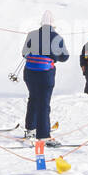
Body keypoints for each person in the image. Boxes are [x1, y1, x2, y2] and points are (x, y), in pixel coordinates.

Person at [22, 10, 69, 144]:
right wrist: (53, 56)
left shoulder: (32, 34)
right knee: (44, 103)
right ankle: (43, 135)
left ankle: (31, 129)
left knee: (33, 99)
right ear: (53, 25)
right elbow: (65, 57)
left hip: (29, 72)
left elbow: (24, 53)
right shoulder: (57, 37)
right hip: (45, 74)